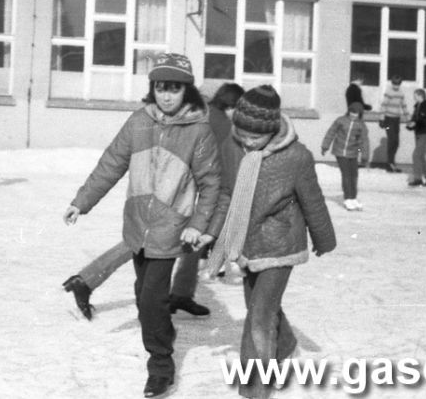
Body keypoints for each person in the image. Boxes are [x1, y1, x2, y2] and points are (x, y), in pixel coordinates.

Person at [63, 52, 221, 398]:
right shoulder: (138, 121)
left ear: (187, 91)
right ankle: (160, 341)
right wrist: (82, 201)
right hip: (136, 226)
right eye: (161, 88)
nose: (167, 96)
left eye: (175, 89)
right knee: (143, 297)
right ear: (153, 88)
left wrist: (198, 223)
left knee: (151, 300)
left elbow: (211, 185)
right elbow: (111, 163)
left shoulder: (199, 131)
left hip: (171, 229)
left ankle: (161, 367)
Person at [61, 82, 244, 321]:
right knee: (152, 240)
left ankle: (180, 293)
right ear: (232, 106)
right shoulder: (218, 123)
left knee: (182, 241)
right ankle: (87, 280)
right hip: (182, 189)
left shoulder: (204, 113)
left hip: (183, 187)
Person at [206, 85, 337, 399]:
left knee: (259, 317)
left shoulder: (296, 157)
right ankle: (287, 345)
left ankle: (254, 391)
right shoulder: (232, 144)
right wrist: (214, 234)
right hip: (247, 242)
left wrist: (324, 238)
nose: (248, 141)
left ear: (272, 129)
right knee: (259, 307)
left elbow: (313, 200)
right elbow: (226, 194)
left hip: (281, 245)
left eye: (255, 137)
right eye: (242, 133)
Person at [321, 101, 370, 210]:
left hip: (352, 153)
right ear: (348, 112)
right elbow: (331, 132)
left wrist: (364, 155)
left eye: (356, 113)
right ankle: (347, 198)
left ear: (360, 114)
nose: (353, 115)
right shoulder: (341, 121)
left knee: (354, 175)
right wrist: (325, 146)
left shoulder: (361, 125)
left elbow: (364, 141)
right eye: (352, 112)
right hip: (340, 151)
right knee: (346, 174)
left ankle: (353, 198)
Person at [379, 75, 408, 172]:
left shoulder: (401, 93)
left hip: (396, 120)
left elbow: (404, 106)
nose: (396, 86)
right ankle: (389, 163)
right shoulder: (389, 92)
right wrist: (381, 118)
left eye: (398, 84)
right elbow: (383, 105)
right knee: (391, 140)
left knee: (396, 142)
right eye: (394, 84)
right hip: (387, 120)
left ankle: (392, 161)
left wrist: (408, 119)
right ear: (392, 83)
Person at [406, 88, 426, 187]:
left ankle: (418, 179)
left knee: (416, 155)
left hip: (424, 134)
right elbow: (414, 119)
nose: (414, 97)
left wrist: (416, 122)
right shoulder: (417, 107)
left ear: (420, 95)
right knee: (420, 156)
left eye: (415, 95)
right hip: (418, 134)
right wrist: (410, 125)